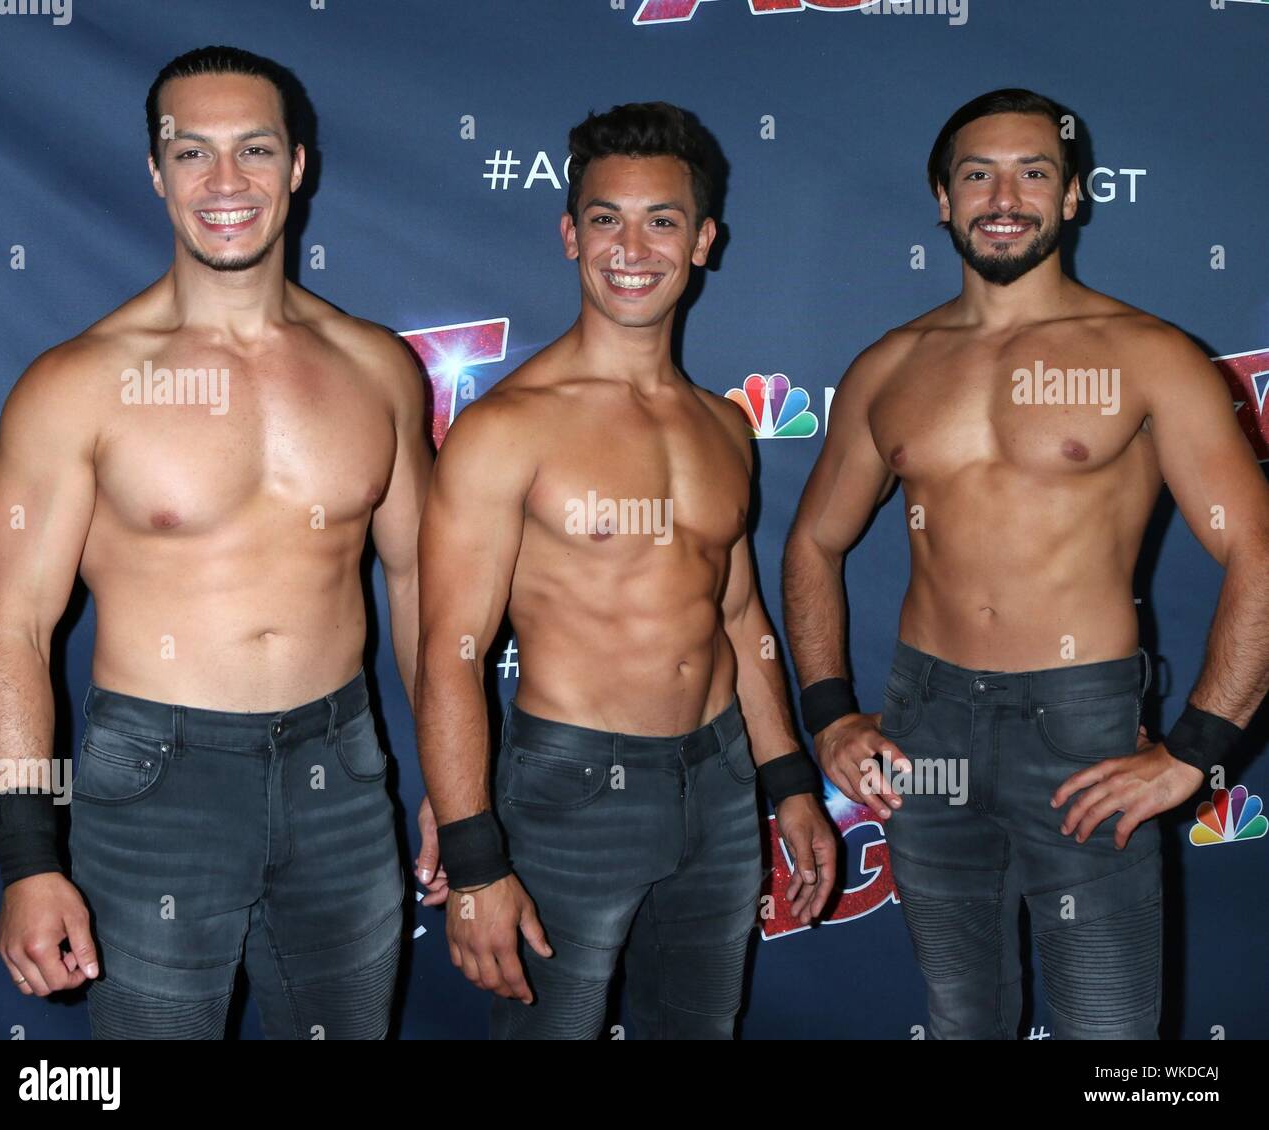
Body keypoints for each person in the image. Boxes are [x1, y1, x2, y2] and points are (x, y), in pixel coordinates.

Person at [783, 88, 1269, 1039]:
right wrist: (830, 713)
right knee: (962, 1014)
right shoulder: (890, 365)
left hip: (1081, 731)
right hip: (925, 731)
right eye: (978, 174)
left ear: (1075, 195)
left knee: (1112, 1036)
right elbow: (814, 541)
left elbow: (1258, 548)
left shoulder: (1149, 356)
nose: (1004, 195)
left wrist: (1196, 751)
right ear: (941, 198)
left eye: (1033, 172)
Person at [0, 45, 433, 1039]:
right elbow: (11, 624)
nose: (226, 184)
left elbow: (422, 583)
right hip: (155, 792)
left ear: (297, 165)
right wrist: (27, 856)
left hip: (343, 777)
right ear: (155, 170)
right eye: (193, 153)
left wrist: (456, 785)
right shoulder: (76, 383)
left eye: (254, 150)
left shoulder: (378, 369)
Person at [416, 102, 836, 1040]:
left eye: (663, 220)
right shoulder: (506, 429)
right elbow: (449, 652)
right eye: (606, 218)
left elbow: (737, 615)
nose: (632, 247)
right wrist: (478, 858)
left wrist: (789, 780)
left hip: (721, 784)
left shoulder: (724, 426)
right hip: (570, 793)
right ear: (570, 234)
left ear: (704, 241)